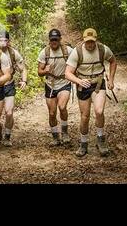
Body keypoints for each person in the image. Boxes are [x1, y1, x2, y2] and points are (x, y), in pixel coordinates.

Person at [64, 27, 117, 158]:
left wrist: (111, 79)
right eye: (88, 42)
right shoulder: (77, 52)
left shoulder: (103, 49)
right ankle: (83, 143)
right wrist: (78, 81)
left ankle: (101, 140)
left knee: (99, 111)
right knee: (85, 116)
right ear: (84, 40)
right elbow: (67, 73)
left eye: (92, 41)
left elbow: (113, 61)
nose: (90, 44)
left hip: (99, 83)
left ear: (96, 40)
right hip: (83, 85)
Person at [36, 28, 73, 146]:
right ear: (49, 40)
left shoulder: (68, 51)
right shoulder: (44, 53)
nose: (54, 42)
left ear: (60, 39)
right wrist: (45, 70)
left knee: (62, 107)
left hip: (64, 83)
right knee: (52, 113)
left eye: (56, 39)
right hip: (50, 84)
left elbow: (76, 63)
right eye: (52, 40)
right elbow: (39, 72)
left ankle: (65, 132)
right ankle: (55, 137)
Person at [0, 31, 27, 147]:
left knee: (9, 112)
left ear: (8, 42)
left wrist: (24, 80)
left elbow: (23, 69)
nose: (2, 42)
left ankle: (7, 136)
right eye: (0, 40)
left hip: (9, 85)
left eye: (5, 40)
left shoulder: (13, 53)